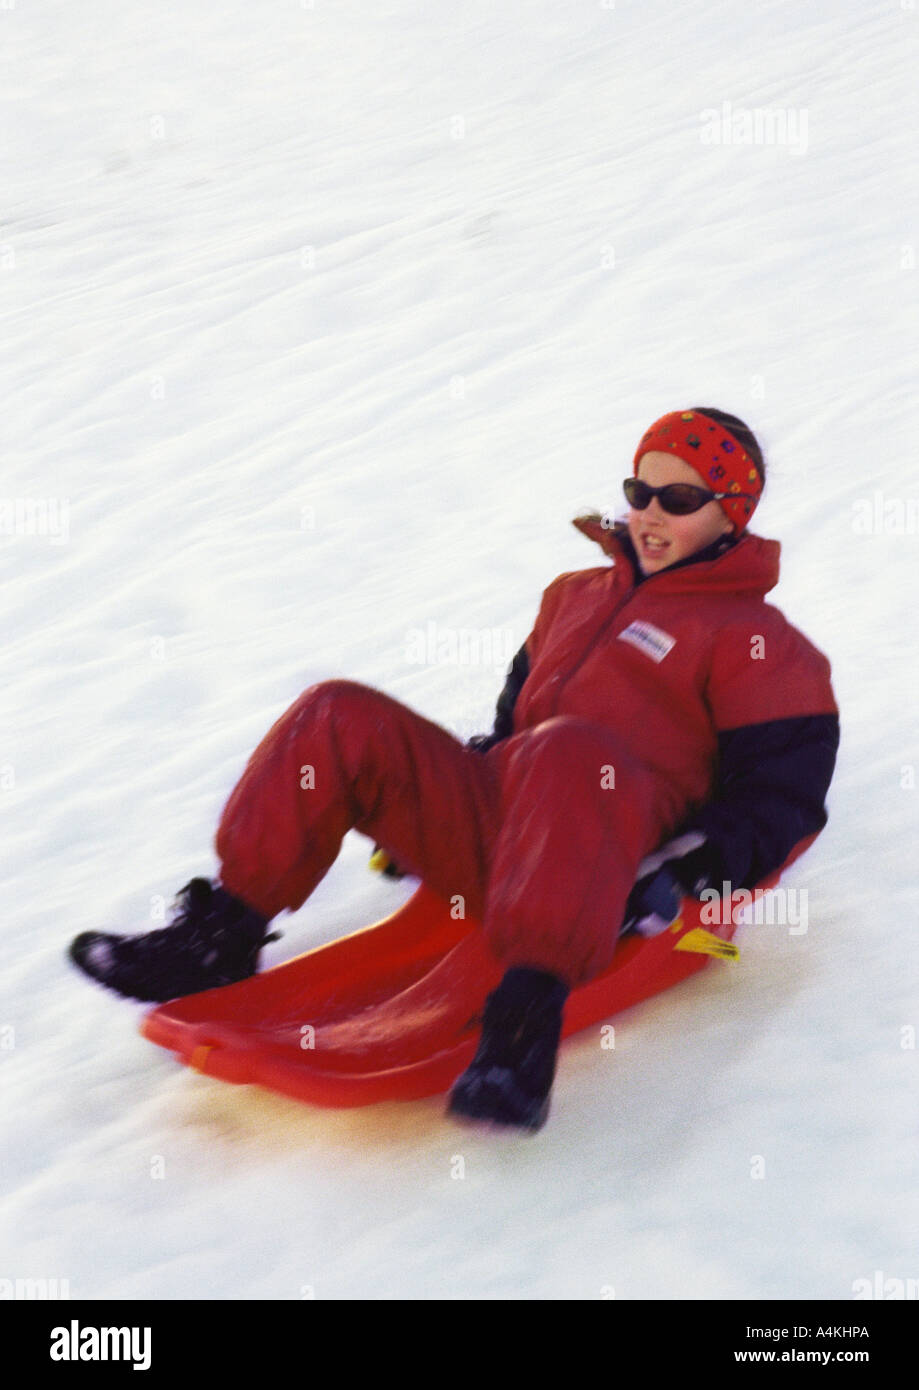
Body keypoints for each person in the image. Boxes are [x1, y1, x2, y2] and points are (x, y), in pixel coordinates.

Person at [69, 407, 840, 1132]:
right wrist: (421, 807)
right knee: (337, 711)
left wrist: (690, 873)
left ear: (730, 515)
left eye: (677, 498)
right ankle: (220, 935)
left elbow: (783, 803)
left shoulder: (759, 643)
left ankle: (522, 1027)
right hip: (510, 836)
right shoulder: (571, 597)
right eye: (639, 490)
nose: (648, 513)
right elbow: (510, 735)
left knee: (572, 749)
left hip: (614, 873)